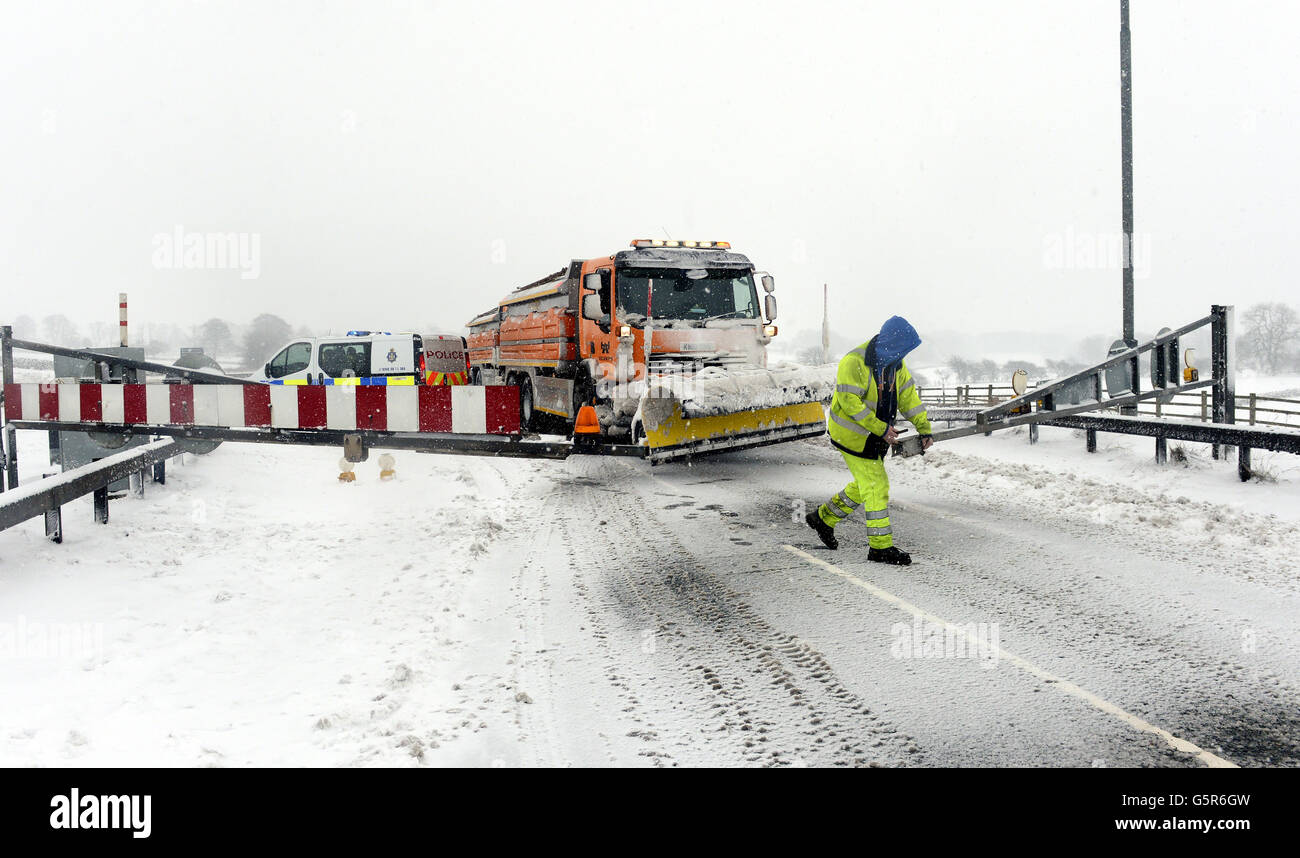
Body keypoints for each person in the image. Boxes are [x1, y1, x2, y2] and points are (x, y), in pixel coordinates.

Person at [805, 315, 932, 565]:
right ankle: (880, 548)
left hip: (876, 435)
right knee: (876, 485)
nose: (904, 355)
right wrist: (880, 428)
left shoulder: (896, 366)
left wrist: (924, 428)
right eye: (903, 348)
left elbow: (908, 399)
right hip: (852, 435)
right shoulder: (853, 362)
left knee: (865, 483)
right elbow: (850, 404)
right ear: (892, 344)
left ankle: (823, 518)